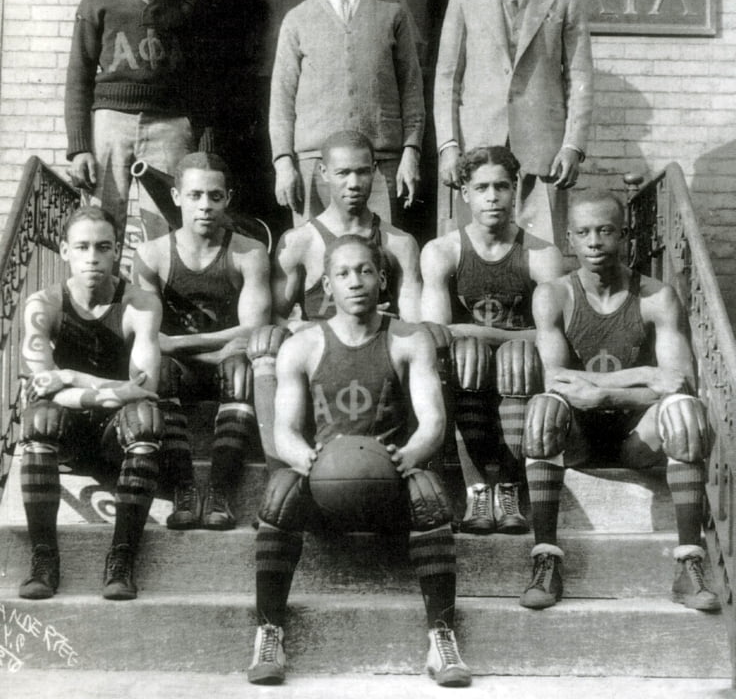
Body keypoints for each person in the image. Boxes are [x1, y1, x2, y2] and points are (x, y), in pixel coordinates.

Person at [247, 235, 471, 688]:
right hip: (326, 485)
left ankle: (441, 636)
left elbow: (432, 422)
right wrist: (308, 460)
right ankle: (269, 630)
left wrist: (408, 457)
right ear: (326, 286)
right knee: (280, 491)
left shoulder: (408, 339)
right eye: (344, 274)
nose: (356, 282)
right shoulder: (303, 345)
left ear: (383, 280)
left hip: (387, 480)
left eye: (366, 271)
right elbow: (285, 431)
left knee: (428, 492)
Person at [520, 190, 719, 612]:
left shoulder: (655, 296)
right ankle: (545, 560)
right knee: (543, 409)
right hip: (577, 434)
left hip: (637, 436)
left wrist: (605, 392)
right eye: (584, 232)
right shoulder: (554, 295)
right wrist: (644, 375)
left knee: (683, 412)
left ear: (625, 236)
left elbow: (677, 382)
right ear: (570, 240)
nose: (594, 242)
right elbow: (556, 380)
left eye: (605, 230)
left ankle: (689, 564)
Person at [18, 206, 163, 601]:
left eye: (103, 247)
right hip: (70, 432)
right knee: (40, 420)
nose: (92, 257)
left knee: (145, 418)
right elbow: (43, 392)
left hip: (117, 434)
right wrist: (102, 389)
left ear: (118, 251)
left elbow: (146, 389)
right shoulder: (42, 305)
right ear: (65, 251)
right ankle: (44, 559)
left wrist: (71, 376)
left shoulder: (140, 304)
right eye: (82, 247)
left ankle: (122, 559)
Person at [433, 0, 593, 248]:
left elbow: (579, 77)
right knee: (474, 254)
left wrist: (572, 145)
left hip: (543, 150)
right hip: (478, 148)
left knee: (541, 254)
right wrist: (448, 146)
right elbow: (448, 79)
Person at [421, 145, 564, 535]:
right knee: (470, 353)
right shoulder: (442, 251)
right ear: (464, 193)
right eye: (481, 187)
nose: (492, 197)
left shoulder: (541, 254)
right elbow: (436, 333)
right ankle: (477, 489)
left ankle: (511, 487)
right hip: (466, 370)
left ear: (514, 189)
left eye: (501, 186)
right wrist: (493, 339)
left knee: (515, 355)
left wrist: (481, 335)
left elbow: (556, 333)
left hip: (521, 369)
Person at [133, 152, 280, 529]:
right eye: (195, 195)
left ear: (228, 198)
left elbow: (251, 330)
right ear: (177, 197)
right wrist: (209, 350)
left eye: (215, 196)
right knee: (158, 370)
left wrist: (178, 344)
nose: (205, 206)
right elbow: (149, 339)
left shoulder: (249, 252)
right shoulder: (150, 255)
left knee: (239, 371)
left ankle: (219, 492)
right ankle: (184, 489)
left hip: (227, 368)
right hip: (190, 367)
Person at [269, 0, 425, 225]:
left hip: (379, 164)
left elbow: (412, 90)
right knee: (317, 257)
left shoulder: (392, 14)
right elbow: (282, 100)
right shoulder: (298, 19)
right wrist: (284, 162)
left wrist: (411, 151)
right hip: (315, 165)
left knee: (379, 255)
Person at [65, 0, 211, 238]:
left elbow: (201, 80)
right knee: (101, 221)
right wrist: (79, 147)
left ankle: (155, 292)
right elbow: (79, 76)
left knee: (167, 226)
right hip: (111, 121)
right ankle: (101, 291)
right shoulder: (99, 0)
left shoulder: (186, 4)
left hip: (170, 124)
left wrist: (202, 141)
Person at [272, 130, 422, 327]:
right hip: (322, 353)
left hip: (381, 352)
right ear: (324, 172)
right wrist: (346, 325)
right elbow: (273, 319)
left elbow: (416, 325)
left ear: (374, 170)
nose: (353, 184)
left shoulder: (399, 243)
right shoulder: (299, 242)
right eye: (343, 173)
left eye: (362, 172)